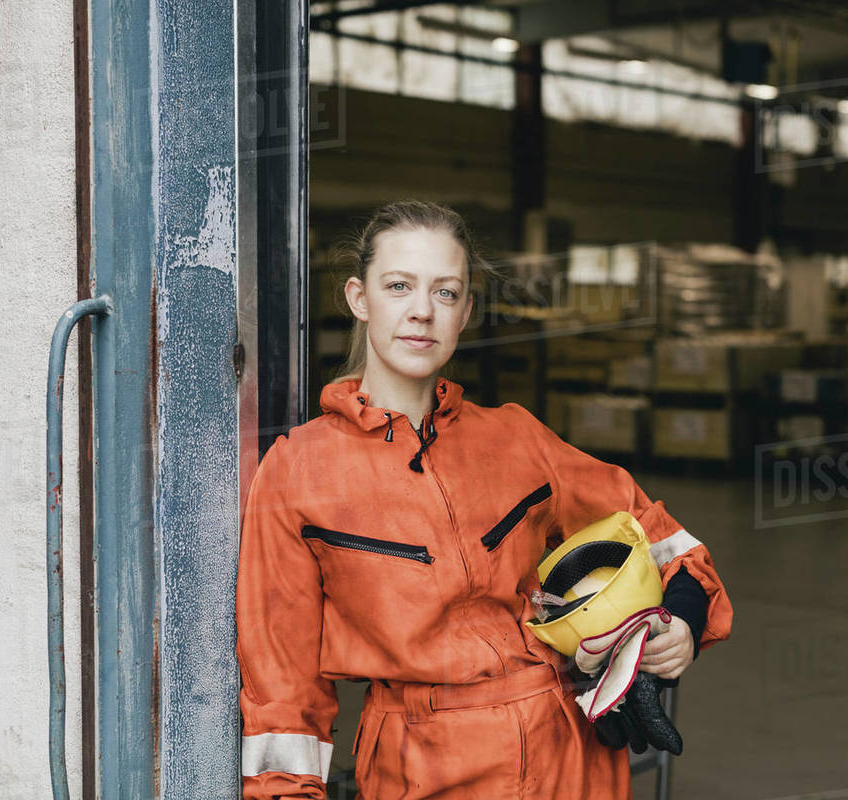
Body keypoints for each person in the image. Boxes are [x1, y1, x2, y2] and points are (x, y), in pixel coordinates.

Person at [236, 200, 733, 800]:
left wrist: (679, 617)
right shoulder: (299, 469)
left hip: (566, 754)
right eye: (399, 286)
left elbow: (655, 534)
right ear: (358, 298)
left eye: (446, 293)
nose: (422, 311)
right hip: (420, 769)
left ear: (466, 311)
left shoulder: (515, 439)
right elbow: (282, 687)